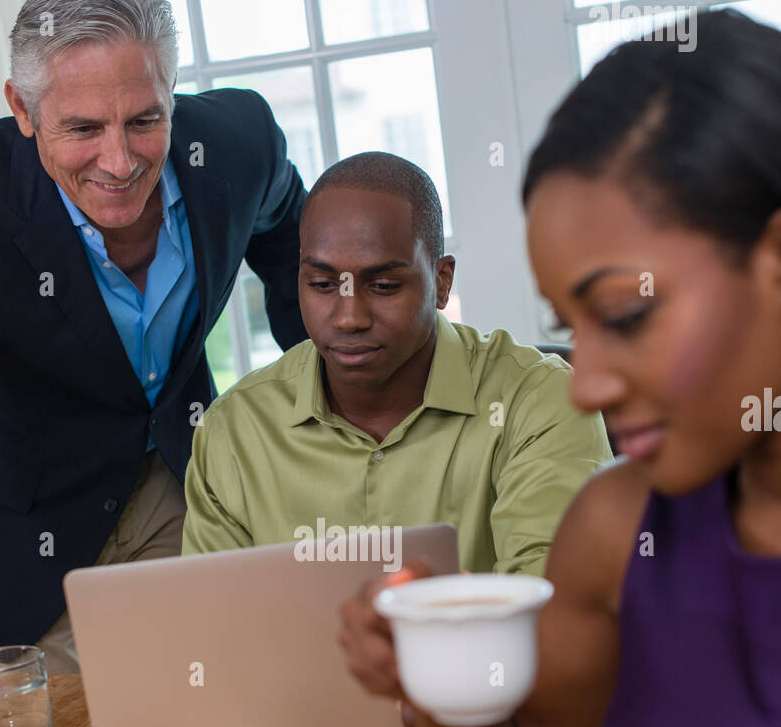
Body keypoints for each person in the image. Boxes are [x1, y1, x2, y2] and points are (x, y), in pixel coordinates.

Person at [231, 10, 781, 727]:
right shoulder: (625, 525)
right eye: (565, 326)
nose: (583, 379)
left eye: (624, 314)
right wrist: (434, 675)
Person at [0, 0, 306, 690]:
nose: (121, 161)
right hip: (32, 539)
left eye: (145, 120)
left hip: (185, 487)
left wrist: (329, 401)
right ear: (23, 110)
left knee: (233, 701)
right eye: (83, 128)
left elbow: (295, 246)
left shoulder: (236, 143)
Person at [182, 152, 611, 572]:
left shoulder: (539, 402)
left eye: (384, 285)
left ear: (442, 283)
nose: (349, 317)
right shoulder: (233, 431)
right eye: (322, 283)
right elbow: (215, 623)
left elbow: (556, 603)